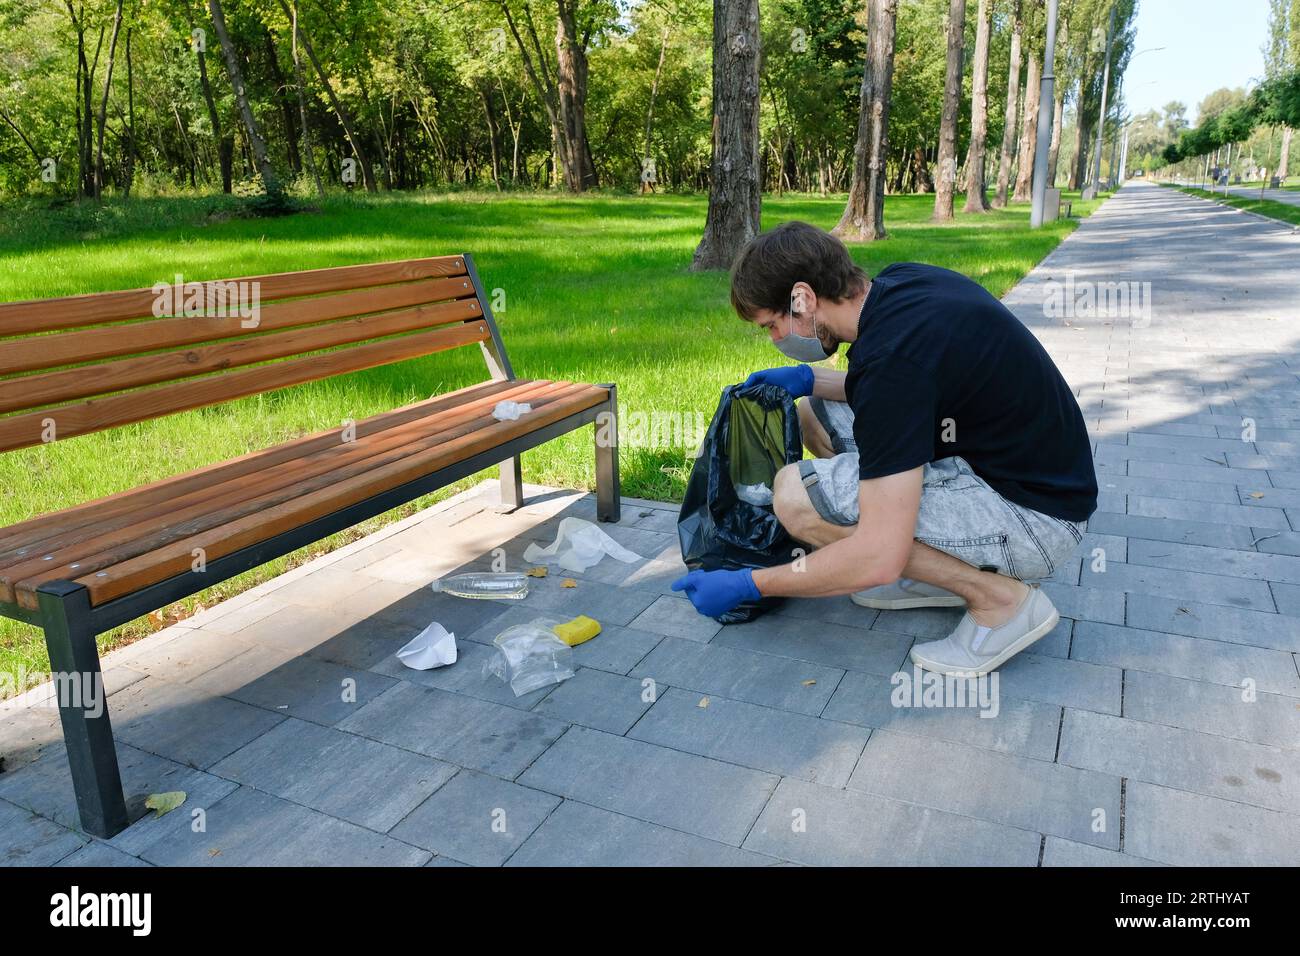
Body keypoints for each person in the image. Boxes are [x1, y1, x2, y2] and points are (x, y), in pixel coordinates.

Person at [671, 221, 1097, 676]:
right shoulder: (901, 284)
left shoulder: (890, 364)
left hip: (1036, 522)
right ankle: (923, 570)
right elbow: (906, 386)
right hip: (1019, 473)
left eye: (773, 325)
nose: (777, 341)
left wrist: (750, 584)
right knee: (813, 411)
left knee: (797, 498)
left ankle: (1001, 602)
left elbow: (877, 547)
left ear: (804, 298)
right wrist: (808, 380)